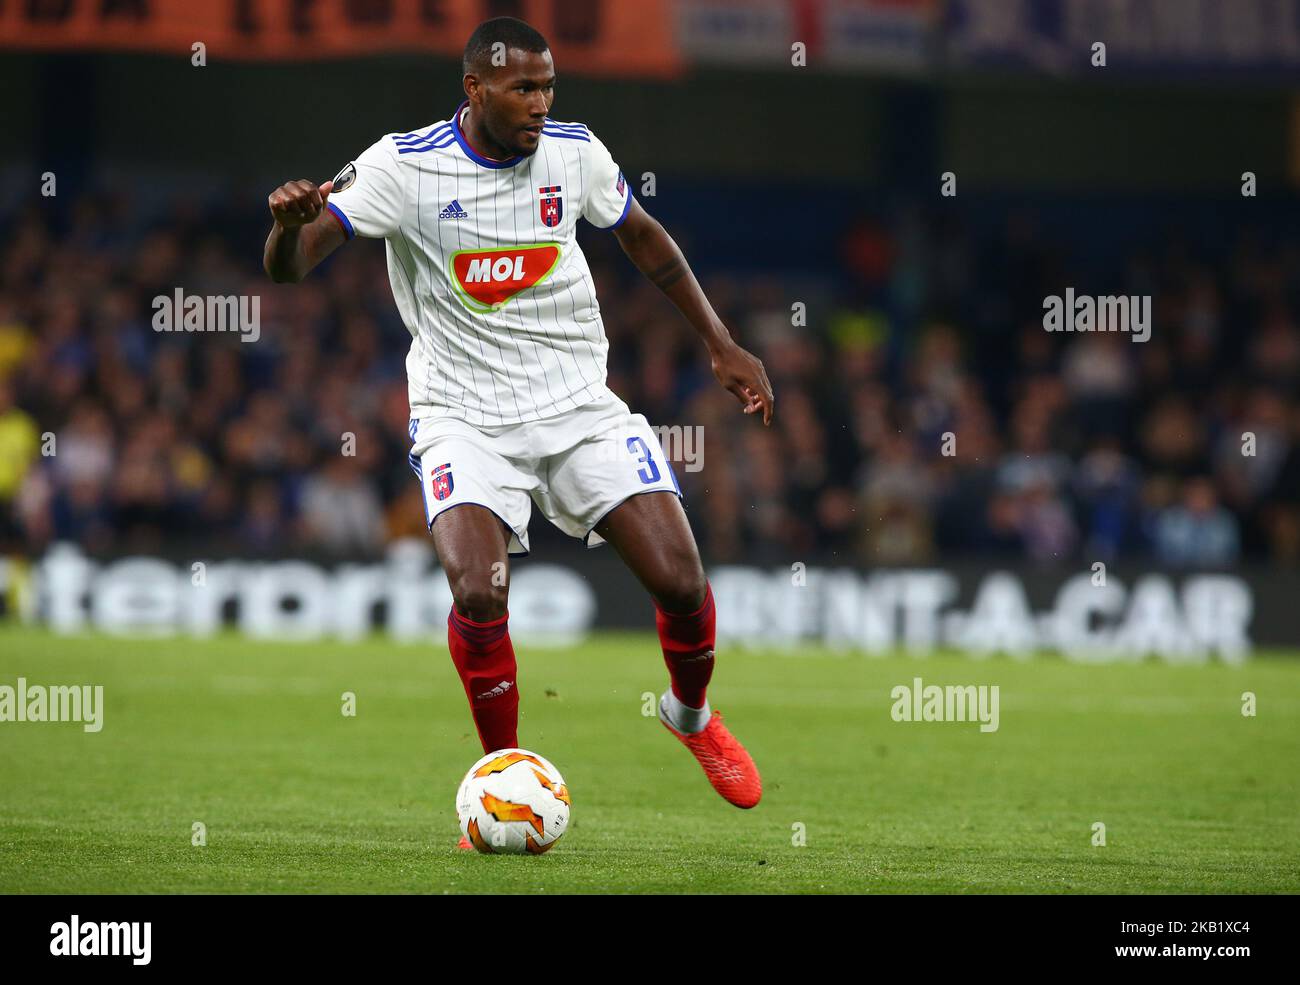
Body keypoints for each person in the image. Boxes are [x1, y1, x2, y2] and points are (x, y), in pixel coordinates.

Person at [262, 17, 773, 827]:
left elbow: (642, 236)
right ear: (476, 89)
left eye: (548, 88)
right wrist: (284, 231)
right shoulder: (404, 166)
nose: (541, 104)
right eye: (523, 89)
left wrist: (720, 341)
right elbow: (292, 268)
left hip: (577, 405)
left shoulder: (575, 153)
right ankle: (501, 774)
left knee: (681, 579)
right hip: (464, 416)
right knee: (477, 589)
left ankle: (691, 716)